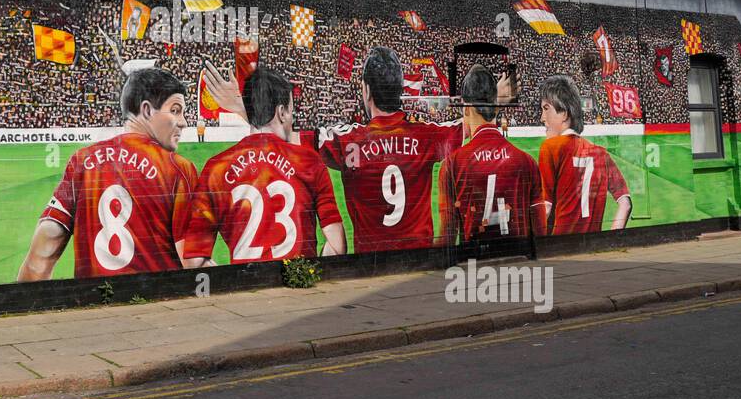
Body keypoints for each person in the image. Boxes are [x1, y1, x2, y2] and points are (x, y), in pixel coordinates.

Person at [204, 50, 519, 252]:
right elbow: (470, 124)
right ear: (400, 91)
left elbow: (281, 135)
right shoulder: (429, 137)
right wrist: (495, 100)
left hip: (369, 268)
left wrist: (242, 108)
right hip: (419, 263)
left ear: (366, 91)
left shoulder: (344, 141)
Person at [18, 68, 199, 281]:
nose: (184, 122)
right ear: (147, 111)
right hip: (154, 304)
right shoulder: (178, 168)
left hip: (92, 304)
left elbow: (43, 251)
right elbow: (191, 262)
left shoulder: (82, 161)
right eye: (176, 110)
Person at [180, 65, 345, 266]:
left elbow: (194, 261)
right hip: (299, 289)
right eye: (291, 110)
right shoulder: (309, 162)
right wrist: (310, 273)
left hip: (246, 292)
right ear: (282, 112)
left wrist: (235, 283)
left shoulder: (215, 168)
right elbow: (337, 247)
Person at [438, 66, 547, 244]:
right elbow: (540, 235)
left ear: (465, 108)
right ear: (496, 105)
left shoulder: (452, 165)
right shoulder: (527, 162)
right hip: (520, 267)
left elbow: (446, 241)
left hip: (473, 268)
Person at [537, 74, 632, 234]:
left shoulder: (551, 148)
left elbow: (545, 209)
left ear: (564, 114)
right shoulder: (601, 154)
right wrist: (613, 237)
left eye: (546, 109)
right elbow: (626, 204)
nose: (542, 118)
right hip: (593, 245)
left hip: (561, 247)